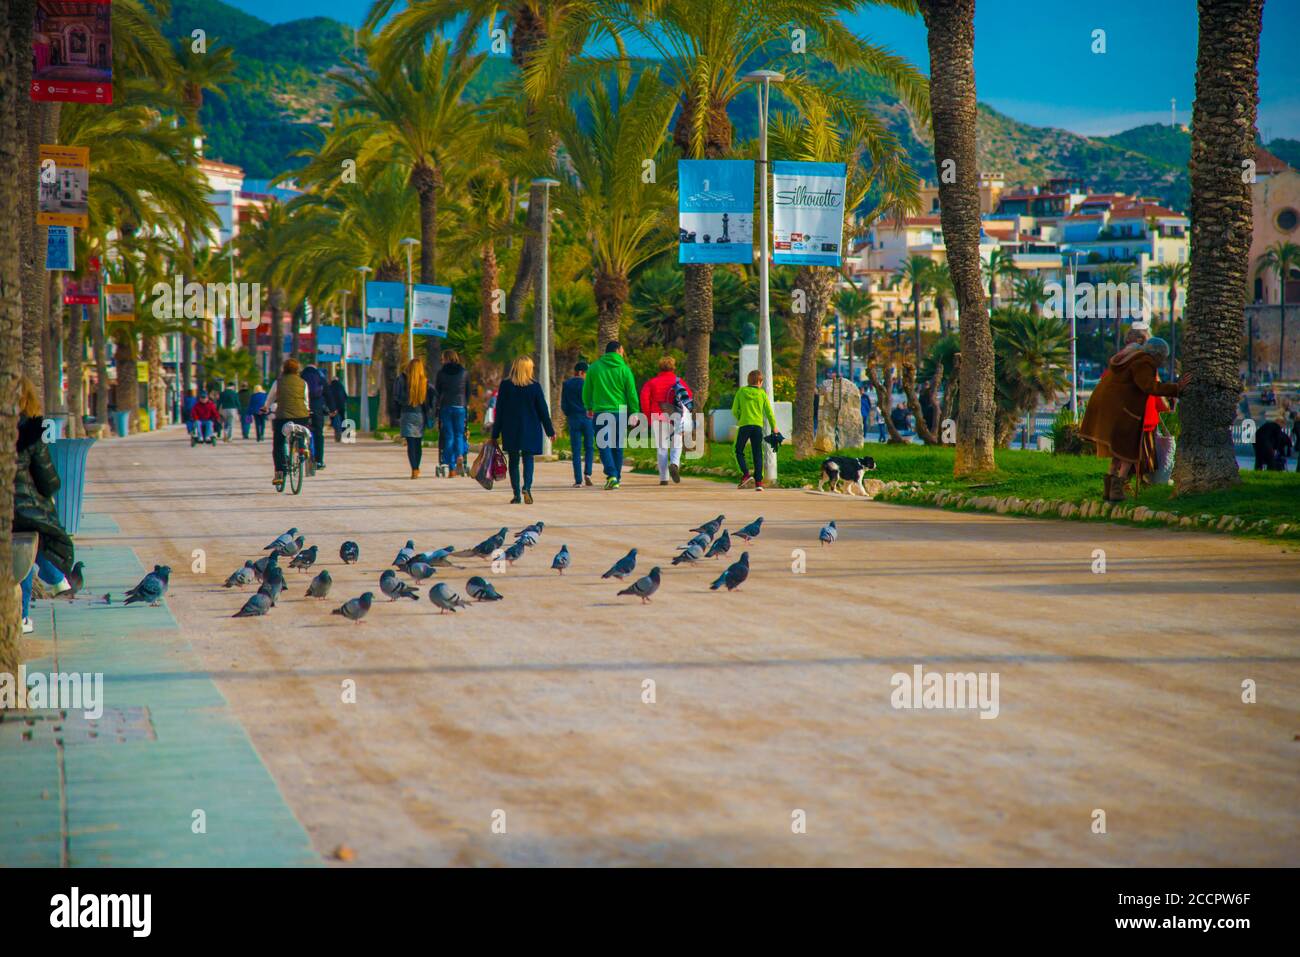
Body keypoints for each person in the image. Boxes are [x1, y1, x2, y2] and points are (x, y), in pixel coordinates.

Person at [1080, 337, 1189, 501]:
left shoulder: (1126, 360)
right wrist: (1176, 388)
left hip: (1111, 410)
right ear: (1157, 355)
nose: (1161, 362)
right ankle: (1117, 491)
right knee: (1130, 453)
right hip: (1125, 413)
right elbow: (1148, 386)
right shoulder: (1143, 362)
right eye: (1162, 358)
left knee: (1118, 453)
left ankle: (1109, 490)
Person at [14, 377, 74, 634]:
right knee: (25, 552)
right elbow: (48, 479)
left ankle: (55, 579)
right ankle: (24, 613)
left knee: (21, 553)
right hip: (24, 509)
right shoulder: (30, 430)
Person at [491, 356, 555, 504]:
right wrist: (550, 431)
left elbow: (499, 411)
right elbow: (543, 411)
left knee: (513, 461)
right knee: (528, 459)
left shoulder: (505, 386)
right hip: (531, 429)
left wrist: (495, 434)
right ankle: (527, 487)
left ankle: (517, 495)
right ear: (528, 369)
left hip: (510, 429)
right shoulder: (535, 386)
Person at [582, 340, 640, 490]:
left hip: (601, 411)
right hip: (620, 412)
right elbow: (631, 393)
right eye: (622, 350)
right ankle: (616, 478)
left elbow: (587, 390)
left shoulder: (594, 368)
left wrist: (588, 406)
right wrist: (634, 411)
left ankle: (612, 475)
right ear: (619, 350)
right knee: (617, 446)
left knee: (603, 445)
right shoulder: (624, 369)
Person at [639, 355, 693, 486]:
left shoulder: (652, 382)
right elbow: (688, 397)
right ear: (673, 367)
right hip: (676, 417)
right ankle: (674, 463)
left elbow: (644, 399)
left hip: (658, 416)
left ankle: (664, 478)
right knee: (677, 444)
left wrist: (648, 416)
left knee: (662, 448)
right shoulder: (679, 382)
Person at [265, 358, 311, 486]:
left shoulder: (278, 382)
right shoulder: (303, 383)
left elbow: (270, 398)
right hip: (301, 415)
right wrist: (307, 410)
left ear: (284, 369)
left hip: (283, 416)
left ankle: (279, 473)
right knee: (301, 430)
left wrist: (265, 407)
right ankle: (302, 447)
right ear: (297, 370)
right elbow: (306, 400)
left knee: (279, 443)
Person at [731, 369, 778, 491]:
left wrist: (741, 418)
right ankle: (758, 482)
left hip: (744, 426)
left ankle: (746, 474)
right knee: (757, 453)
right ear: (760, 381)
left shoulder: (741, 392)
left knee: (738, 450)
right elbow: (769, 412)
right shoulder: (762, 394)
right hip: (757, 427)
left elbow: (734, 410)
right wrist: (774, 427)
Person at [393, 356, 434, 479]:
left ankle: (414, 468)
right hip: (420, 415)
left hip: (407, 414)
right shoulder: (425, 382)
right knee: (418, 443)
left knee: (411, 443)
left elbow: (396, 397)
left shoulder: (401, 380)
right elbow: (432, 398)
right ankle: (417, 467)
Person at [435, 350, 469, 476]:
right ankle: (459, 455)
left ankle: (451, 467)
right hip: (460, 406)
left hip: (446, 406)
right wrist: (466, 404)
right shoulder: (464, 372)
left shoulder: (441, 373)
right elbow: (468, 391)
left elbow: (438, 391)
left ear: (446, 359)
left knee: (449, 436)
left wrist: (437, 407)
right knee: (459, 434)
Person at [561, 360, 594, 487]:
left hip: (573, 418)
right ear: (581, 372)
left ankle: (578, 480)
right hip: (587, 418)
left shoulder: (567, 384)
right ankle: (588, 473)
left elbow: (564, 404)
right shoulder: (588, 384)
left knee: (576, 450)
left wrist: (569, 414)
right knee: (589, 447)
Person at [301, 363, 329, 470]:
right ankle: (319, 461)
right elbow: (327, 392)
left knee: (301, 431)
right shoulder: (320, 376)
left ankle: (301, 452)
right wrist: (332, 409)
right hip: (317, 409)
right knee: (318, 434)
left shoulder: (301, 376)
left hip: (304, 408)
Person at [328, 372, 348, 442]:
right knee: (342, 418)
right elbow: (345, 396)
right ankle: (345, 431)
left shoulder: (330, 387)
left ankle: (333, 425)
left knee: (333, 417)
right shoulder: (341, 386)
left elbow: (327, 397)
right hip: (341, 406)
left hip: (333, 407)